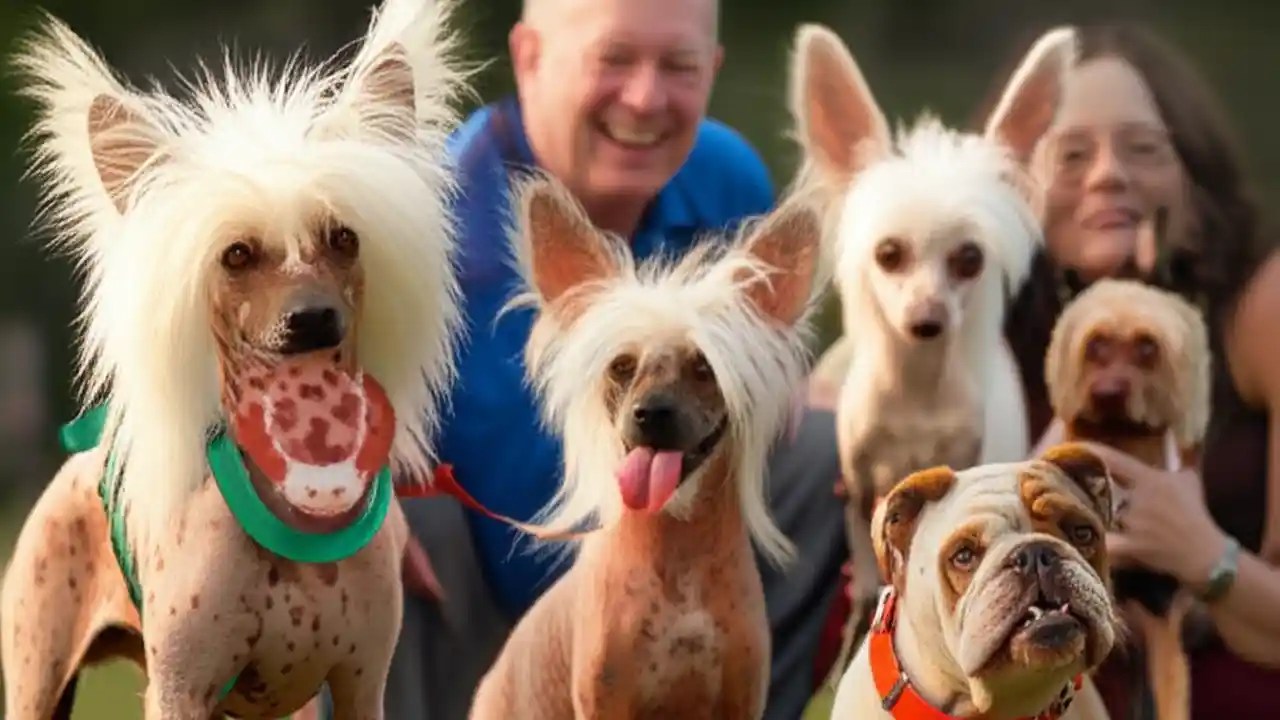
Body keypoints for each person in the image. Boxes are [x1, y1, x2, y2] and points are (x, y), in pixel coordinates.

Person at [315, 1, 846, 718]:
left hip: (683, 595)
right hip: (470, 611)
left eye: (679, 67)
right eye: (614, 59)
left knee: (820, 445)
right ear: (529, 57)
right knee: (382, 510)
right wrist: (358, 492)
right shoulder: (424, 217)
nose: (645, 98)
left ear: (712, 70)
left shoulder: (729, 182)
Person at [993, 23, 1280, 719]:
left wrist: (1202, 551)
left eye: (1143, 148)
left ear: (1193, 172)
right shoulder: (983, 313)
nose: (1108, 173)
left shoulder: (1260, 305)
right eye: (1071, 155)